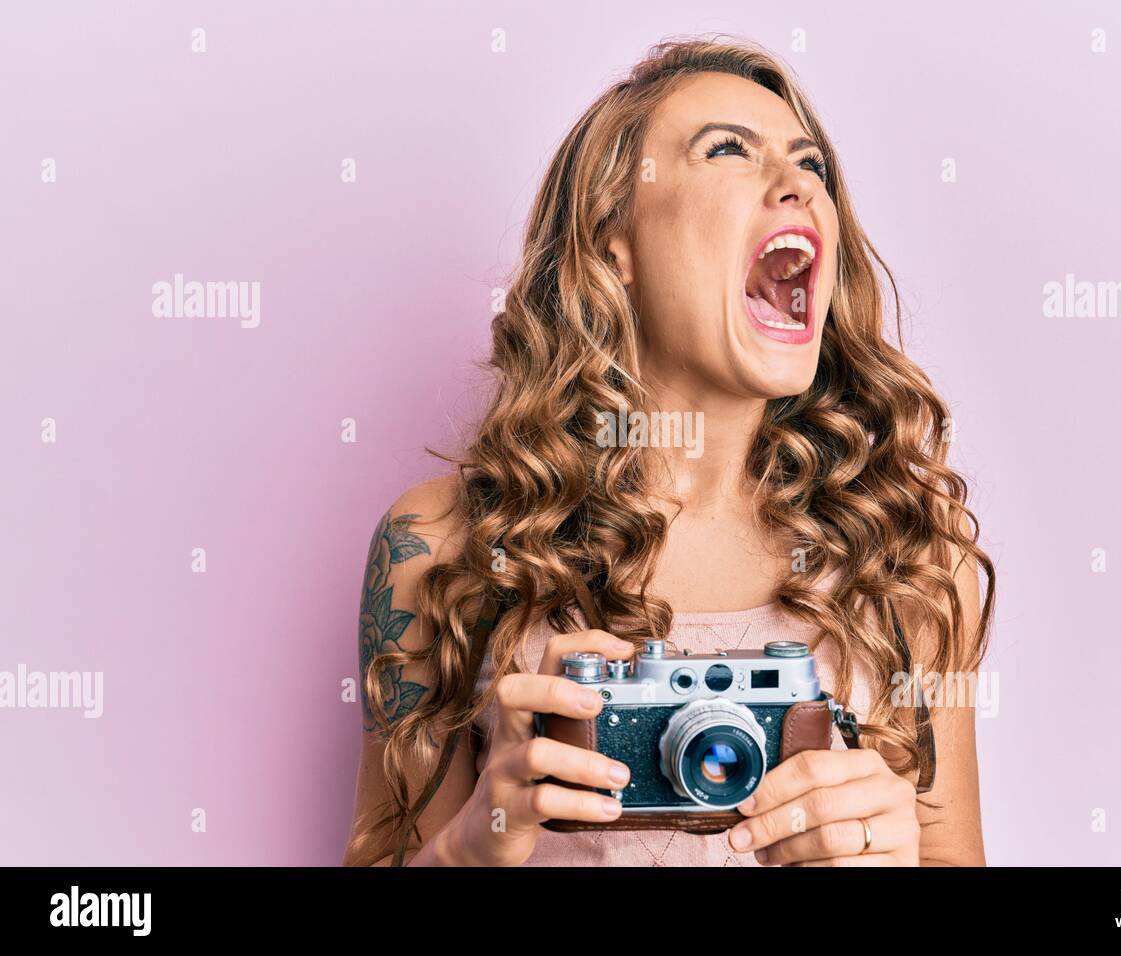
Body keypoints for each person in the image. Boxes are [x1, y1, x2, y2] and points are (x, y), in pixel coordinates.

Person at [343, 36, 995, 867]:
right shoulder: (440, 546)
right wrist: (473, 843)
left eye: (813, 167)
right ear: (613, 240)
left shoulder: (905, 551)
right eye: (727, 149)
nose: (800, 183)